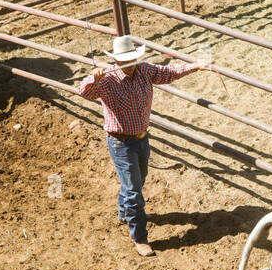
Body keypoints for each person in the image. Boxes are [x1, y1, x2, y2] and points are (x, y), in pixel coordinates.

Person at [77, 35, 210, 257]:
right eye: (125, 60)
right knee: (133, 190)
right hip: (121, 142)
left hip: (141, 137)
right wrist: (93, 78)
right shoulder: (107, 81)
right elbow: (84, 92)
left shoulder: (145, 71)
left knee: (138, 180)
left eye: (132, 59)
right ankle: (140, 238)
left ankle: (124, 212)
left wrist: (195, 66)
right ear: (116, 61)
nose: (130, 64)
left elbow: (168, 73)